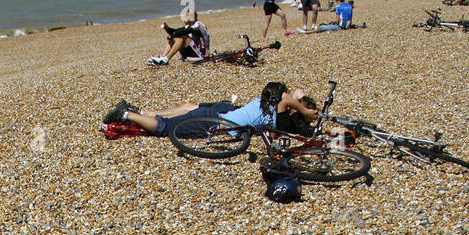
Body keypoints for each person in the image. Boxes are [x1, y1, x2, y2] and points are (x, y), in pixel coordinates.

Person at [102, 80, 319, 139]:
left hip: (219, 117)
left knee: (182, 114)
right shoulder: (277, 115)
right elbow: (289, 97)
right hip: (216, 120)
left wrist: (302, 107)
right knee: (166, 128)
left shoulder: (268, 104)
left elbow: (291, 95)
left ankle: (135, 113)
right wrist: (306, 112)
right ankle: (126, 114)